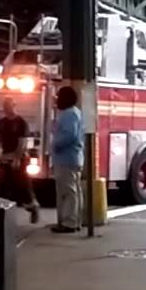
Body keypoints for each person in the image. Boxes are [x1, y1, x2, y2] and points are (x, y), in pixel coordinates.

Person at [0, 97, 40, 223]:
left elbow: (22, 142)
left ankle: (33, 206)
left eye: (9, 106)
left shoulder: (21, 123)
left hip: (18, 159)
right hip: (5, 158)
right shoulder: (2, 122)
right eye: (5, 107)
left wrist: (16, 158)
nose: (7, 109)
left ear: (14, 106)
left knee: (23, 186)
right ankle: (2, 212)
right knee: (2, 185)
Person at [50, 86, 85, 234]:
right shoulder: (76, 113)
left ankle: (69, 222)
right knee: (74, 191)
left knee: (68, 191)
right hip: (74, 158)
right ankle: (75, 221)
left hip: (66, 158)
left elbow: (69, 135)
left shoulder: (68, 114)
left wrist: (56, 143)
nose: (57, 99)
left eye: (59, 96)